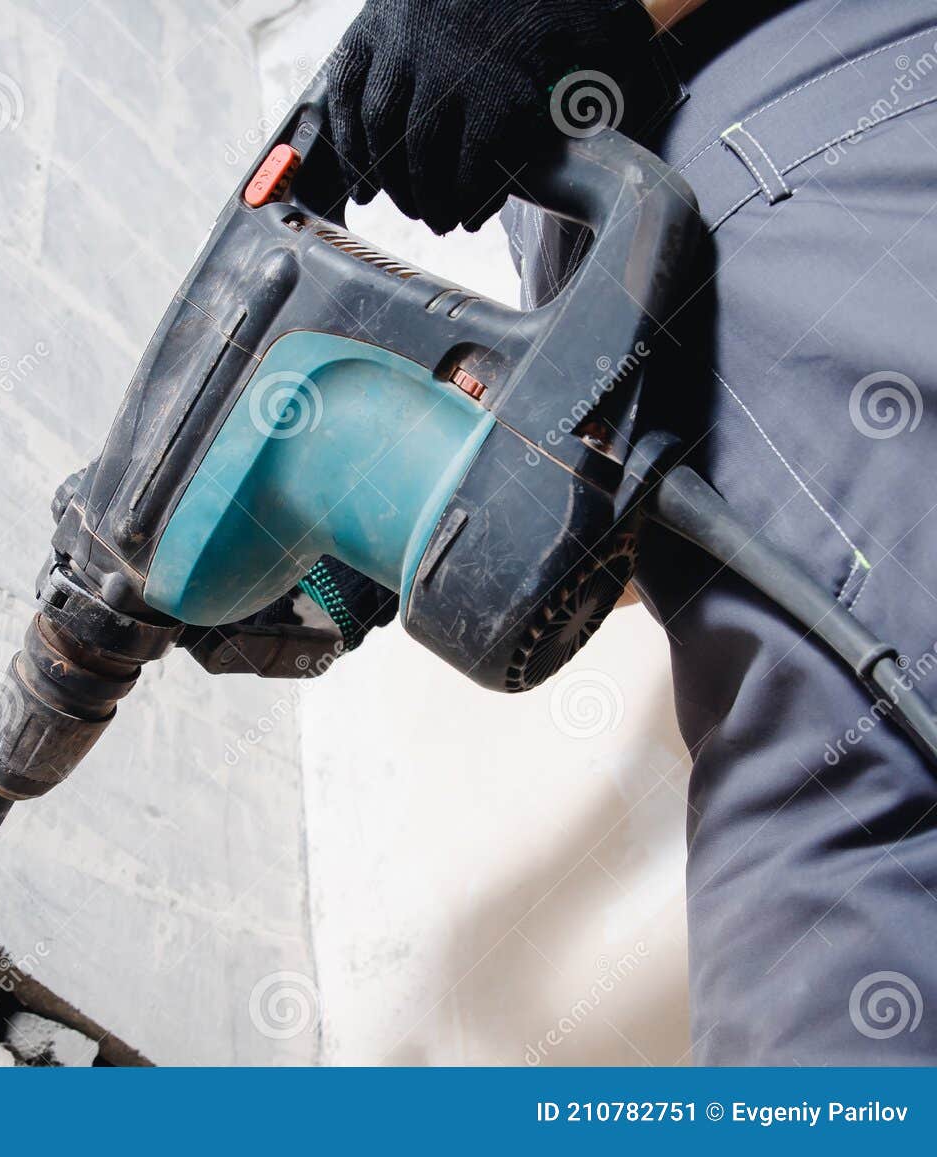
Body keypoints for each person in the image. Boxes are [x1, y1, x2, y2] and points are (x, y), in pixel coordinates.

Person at [321, 0, 937, 1063]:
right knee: (814, 983)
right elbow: (662, 487)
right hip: (764, 528)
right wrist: (443, 512)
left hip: (822, 147)